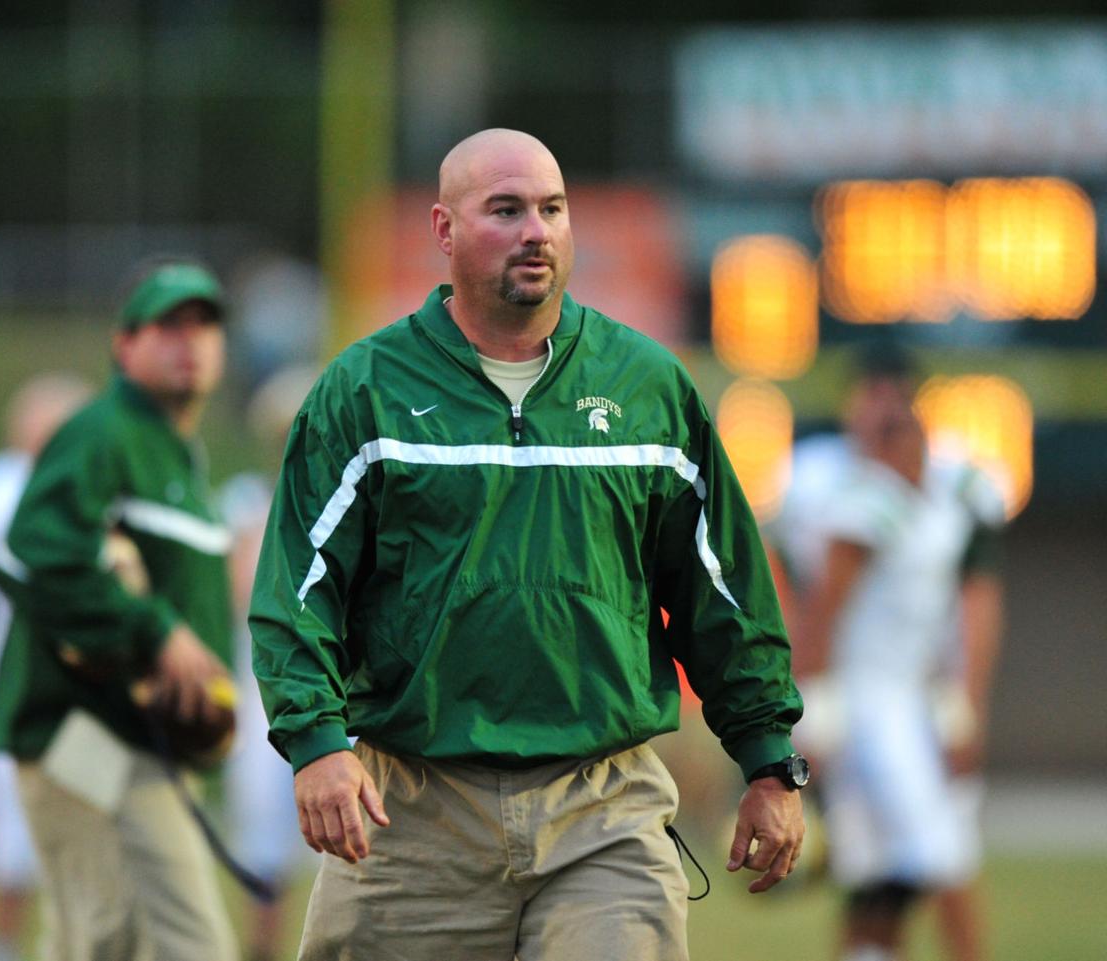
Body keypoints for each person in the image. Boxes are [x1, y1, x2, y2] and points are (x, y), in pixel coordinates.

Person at [249, 128, 807, 961]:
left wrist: (768, 759)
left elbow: (719, 591)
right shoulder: (364, 393)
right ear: (443, 230)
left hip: (604, 806)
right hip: (412, 806)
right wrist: (317, 742)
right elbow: (299, 588)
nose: (535, 231)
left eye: (551, 209)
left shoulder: (648, 389)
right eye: (505, 210)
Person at [0, 257, 240, 961]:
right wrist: (155, 630)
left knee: (113, 938)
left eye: (205, 325)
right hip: (80, 732)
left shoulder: (177, 455)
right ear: (123, 346)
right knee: (123, 933)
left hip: (137, 741)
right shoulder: (102, 432)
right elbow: (30, 557)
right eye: (168, 325)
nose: (190, 340)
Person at [769, 348, 1006, 961]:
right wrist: (808, 714)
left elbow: (973, 605)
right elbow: (819, 615)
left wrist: (963, 705)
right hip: (871, 707)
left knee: (884, 883)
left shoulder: (950, 493)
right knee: (941, 859)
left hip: (918, 694)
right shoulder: (858, 500)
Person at [0, 372, 92, 961]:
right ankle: (2, 948)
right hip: (16, 688)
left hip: (88, 696)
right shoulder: (0, 486)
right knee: (10, 842)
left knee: (91, 831)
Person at [220, 366, 322, 961]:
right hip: (266, 702)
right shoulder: (250, 503)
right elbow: (252, 594)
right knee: (264, 850)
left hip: (338, 699)